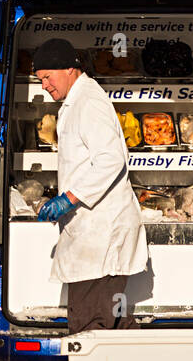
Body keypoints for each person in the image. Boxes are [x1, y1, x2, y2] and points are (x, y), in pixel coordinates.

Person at [33, 37, 147, 333]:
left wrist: (69, 198)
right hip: (91, 237)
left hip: (101, 236)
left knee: (89, 328)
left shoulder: (89, 102)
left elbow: (111, 160)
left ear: (69, 69)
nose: (44, 85)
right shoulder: (76, 101)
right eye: (40, 79)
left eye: (47, 77)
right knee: (112, 323)